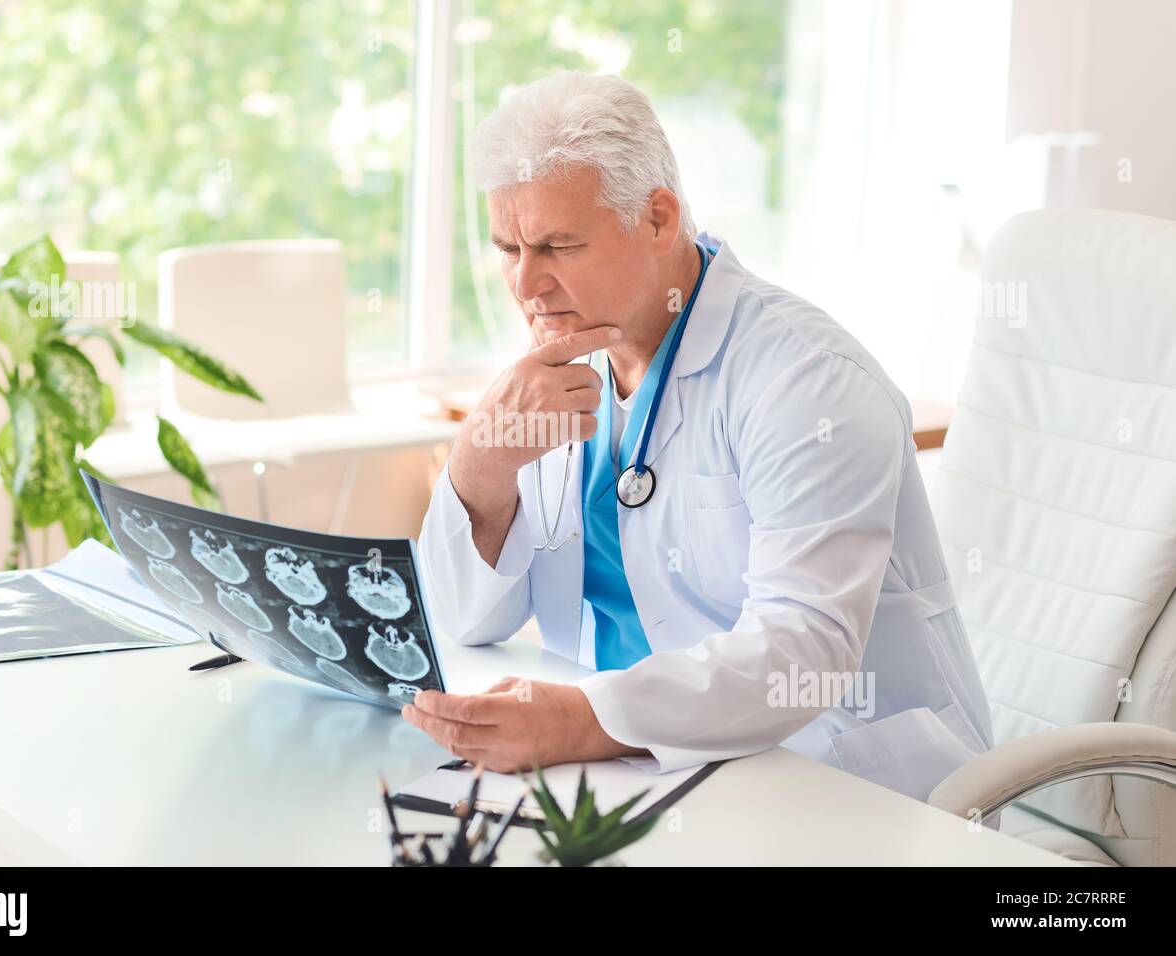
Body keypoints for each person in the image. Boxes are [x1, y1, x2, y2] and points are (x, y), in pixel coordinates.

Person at [405, 71, 994, 806]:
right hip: (644, 770)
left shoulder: (806, 380)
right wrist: (478, 463)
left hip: (835, 780)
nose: (527, 285)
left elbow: (799, 654)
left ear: (657, 219)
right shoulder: (557, 368)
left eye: (558, 245)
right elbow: (465, 619)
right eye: (507, 248)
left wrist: (581, 720)